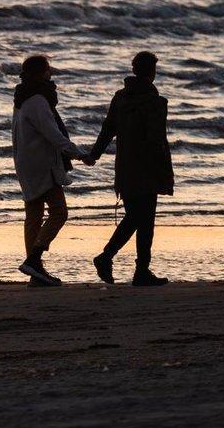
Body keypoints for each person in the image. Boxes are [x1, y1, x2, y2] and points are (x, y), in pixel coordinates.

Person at [81, 51, 173, 286]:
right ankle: (123, 263)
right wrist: (164, 172)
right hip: (148, 168)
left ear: (133, 71)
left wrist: (94, 155)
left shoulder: (121, 98)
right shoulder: (154, 102)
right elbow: (156, 140)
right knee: (144, 220)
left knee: (136, 217)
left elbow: (107, 130)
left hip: (125, 168)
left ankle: (128, 265)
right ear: (152, 73)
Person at [11, 54, 85, 286]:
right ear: (41, 73)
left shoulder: (22, 98)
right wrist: (77, 153)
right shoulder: (37, 100)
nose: (50, 73)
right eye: (47, 70)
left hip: (26, 162)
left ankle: (35, 272)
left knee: (34, 216)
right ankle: (34, 260)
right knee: (59, 212)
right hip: (41, 165)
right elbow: (53, 134)